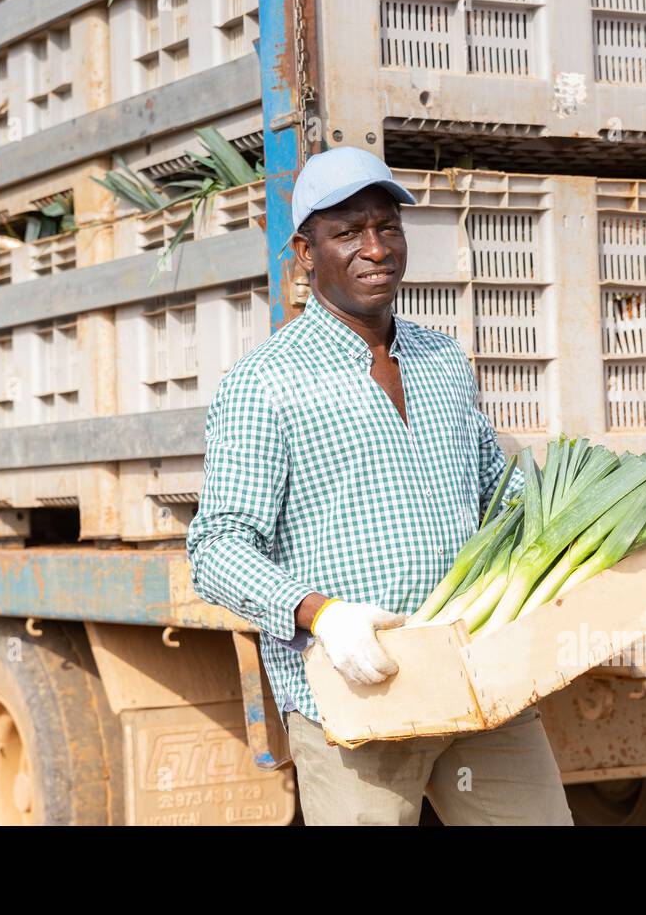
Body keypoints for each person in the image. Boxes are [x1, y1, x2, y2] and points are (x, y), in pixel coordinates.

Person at [186, 146, 573, 826]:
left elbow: (495, 492)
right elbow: (216, 548)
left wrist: (566, 526)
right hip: (357, 693)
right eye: (348, 232)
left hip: (477, 674)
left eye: (388, 227)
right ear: (307, 253)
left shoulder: (442, 359)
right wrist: (321, 614)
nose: (376, 248)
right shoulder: (265, 383)